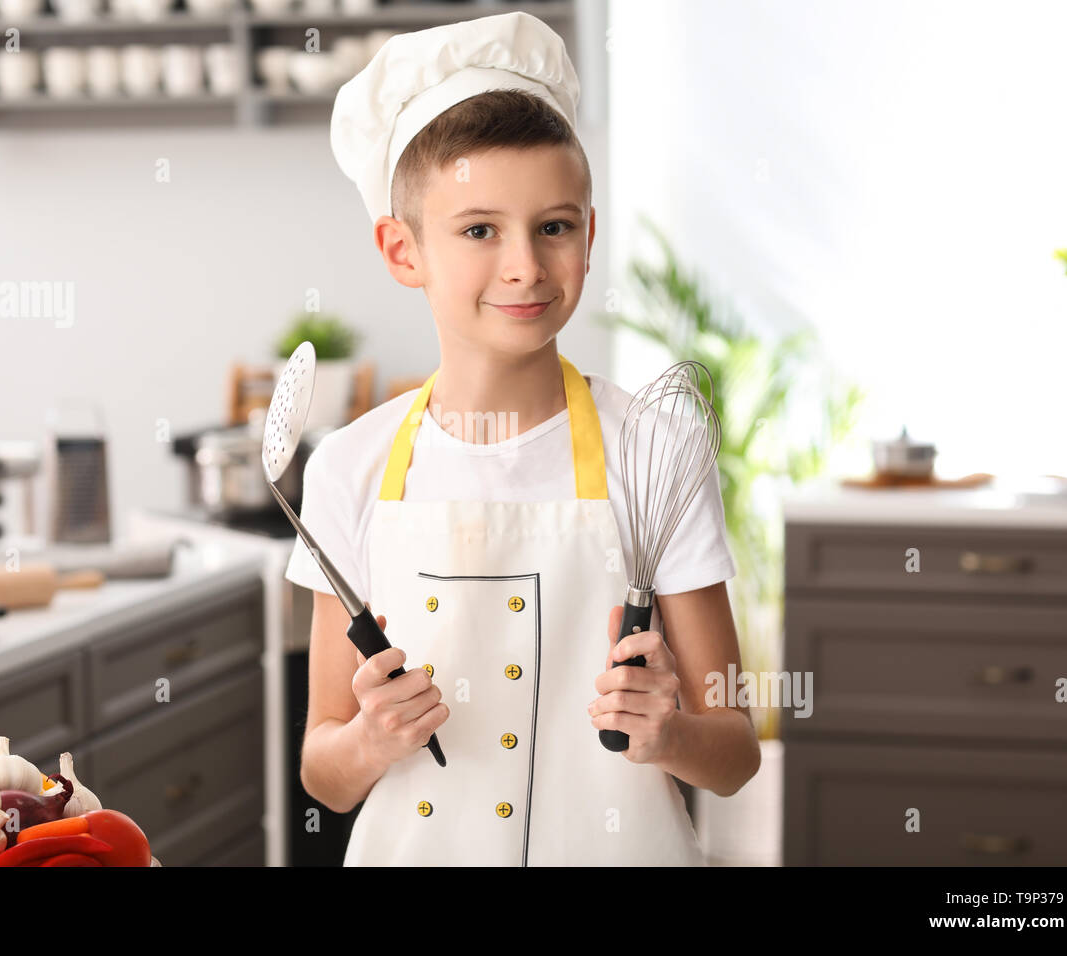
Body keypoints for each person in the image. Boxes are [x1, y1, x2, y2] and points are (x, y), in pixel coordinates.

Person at [285, 10, 760, 866]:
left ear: (588, 230)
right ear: (403, 249)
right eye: (478, 230)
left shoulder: (657, 453)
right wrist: (371, 739)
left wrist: (670, 732)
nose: (526, 267)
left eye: (554, 226)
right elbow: (325, 772)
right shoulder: (348, 468)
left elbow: (734, 753)